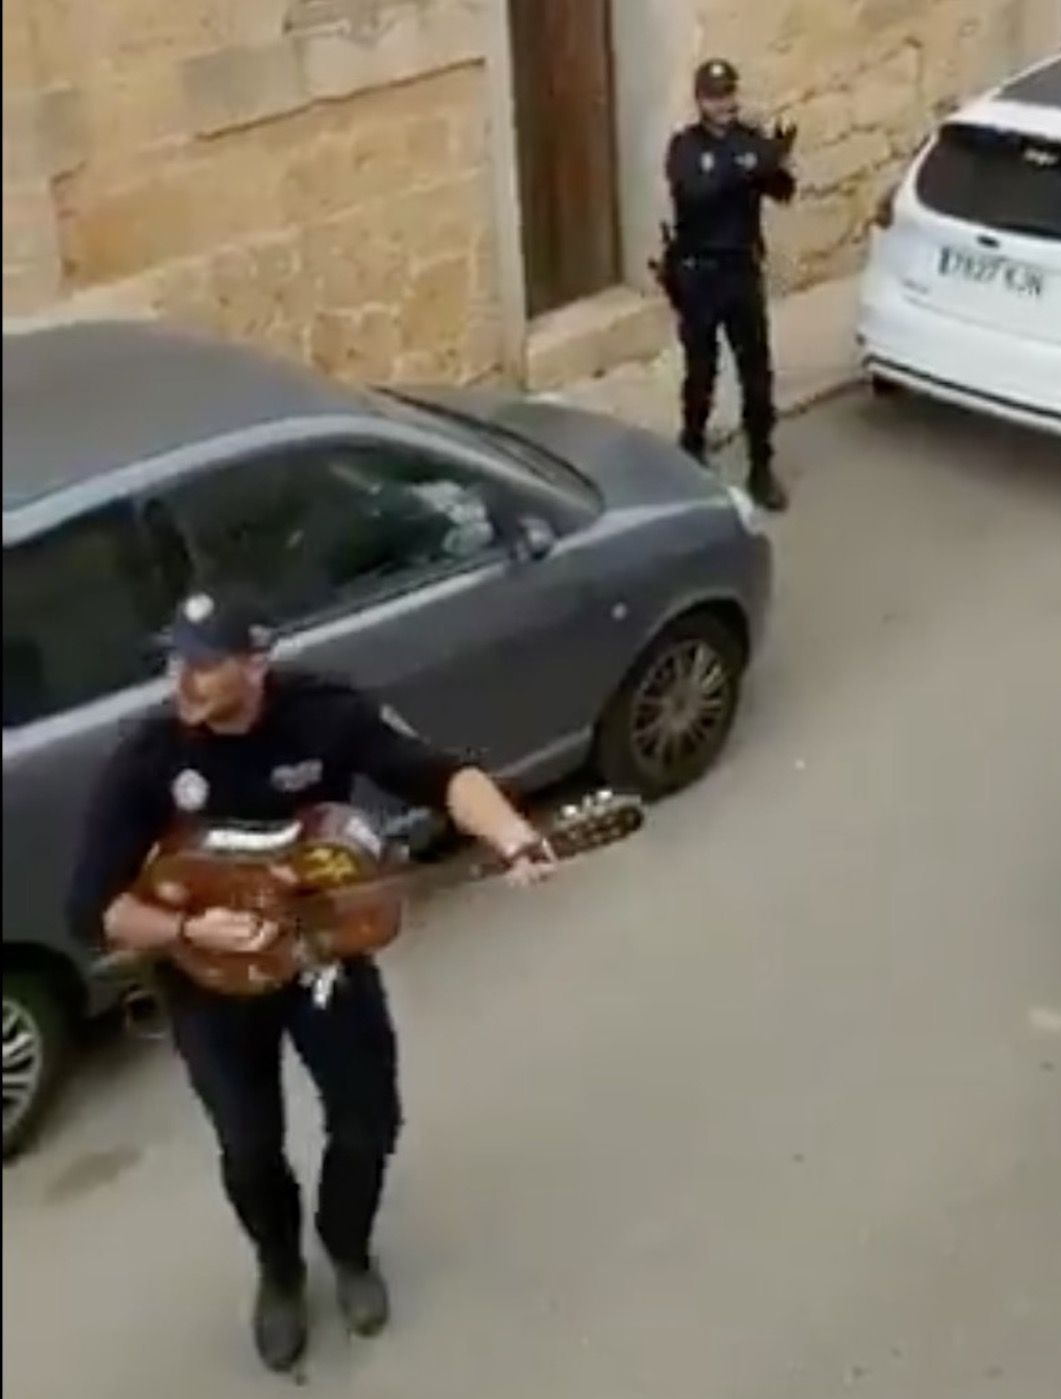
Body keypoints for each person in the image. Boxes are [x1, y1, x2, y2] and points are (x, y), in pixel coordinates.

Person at [66, 590, 557, 1374]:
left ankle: (348, 1246)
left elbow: (440, 775)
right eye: (177, 658)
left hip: (322, 952)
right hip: (210, 980)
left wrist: (510, 834)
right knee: (249, 1146)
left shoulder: (324, 714)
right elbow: (93, 910)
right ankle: (281, 1272)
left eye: (206, 662)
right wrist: (189, 930)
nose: (183, 678)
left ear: (256, 662)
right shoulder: (149, 758)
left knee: (368, 1118)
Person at [663, 59, 798, 514]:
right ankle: (691, 447)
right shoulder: (685, 146)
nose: (724, 104)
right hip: (700, 275)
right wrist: (746, 166)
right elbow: (696, 193)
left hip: (741, 271)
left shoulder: (749, 141)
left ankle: (762, 466)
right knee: (701, 372)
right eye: (714, 97)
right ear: (700, 100)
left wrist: (777, 160)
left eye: (728, 95)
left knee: (756, 374)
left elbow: (782, 191)